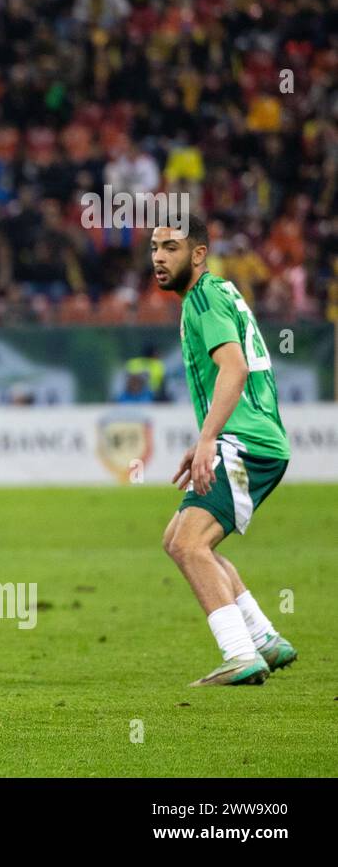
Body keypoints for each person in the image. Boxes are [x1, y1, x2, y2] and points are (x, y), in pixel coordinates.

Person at [151, 218, 295, 686]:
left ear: (198, 254)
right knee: (180, 539)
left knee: (190, 543)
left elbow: (232, 369)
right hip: (253, 437)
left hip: (246, 441)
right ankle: (264, 639)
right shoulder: (217, 293)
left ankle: (239, 654)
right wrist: (204, 438)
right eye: (154, 248)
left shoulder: (204, 299)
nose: (158, 257)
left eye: (170, 247)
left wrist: (210, 437)